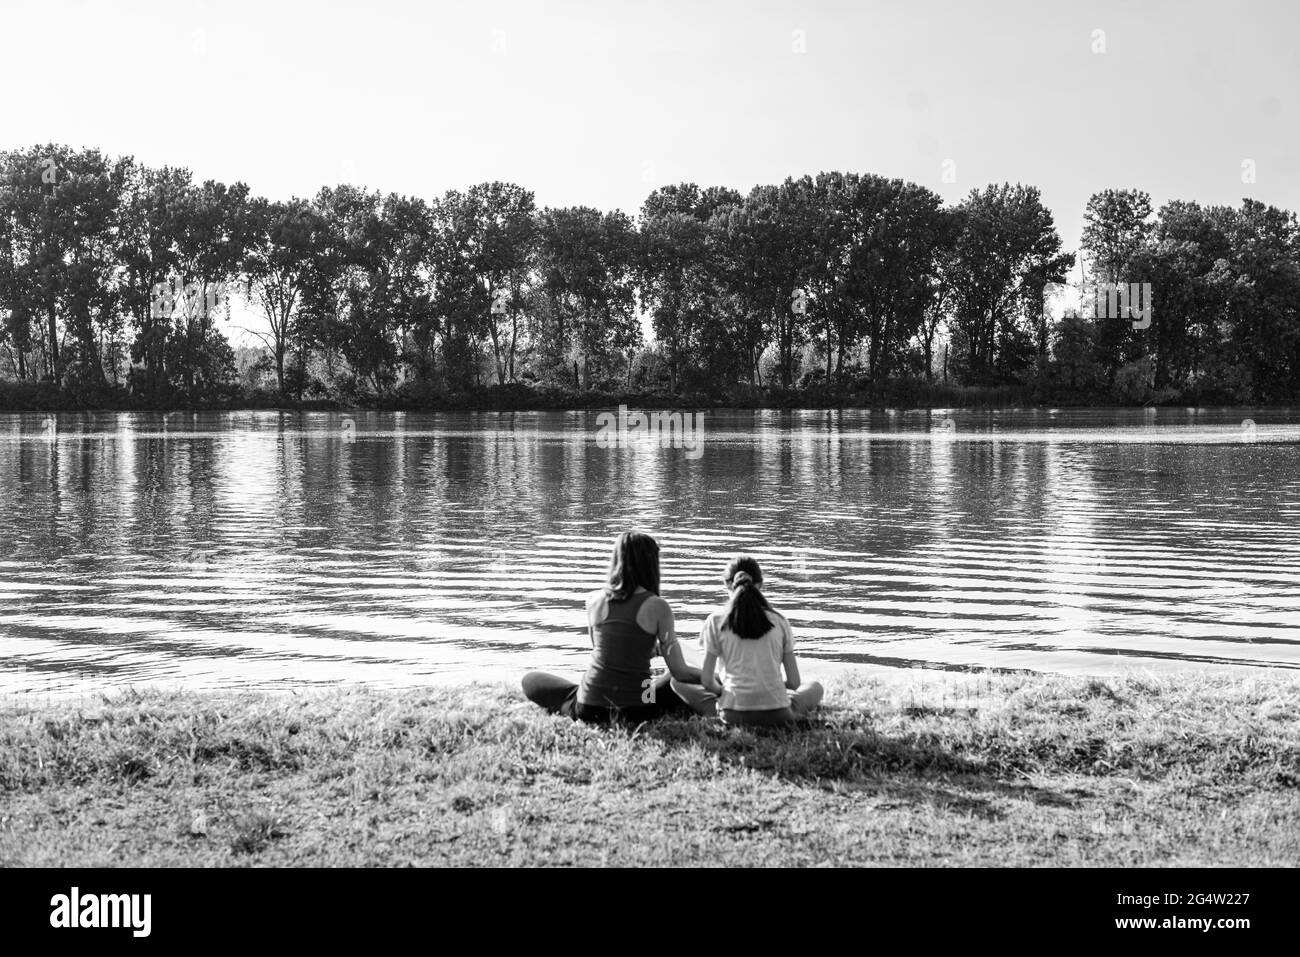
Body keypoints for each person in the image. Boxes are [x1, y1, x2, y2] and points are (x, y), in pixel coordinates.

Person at [522, 530, 702, 723]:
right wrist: (716, 677)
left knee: (530, 679)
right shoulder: (658, 606)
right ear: (651, 564)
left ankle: (582, 697)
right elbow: (680, 672)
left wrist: (644, 652)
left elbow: (606, 655)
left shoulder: (593, 601)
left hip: (588, 708)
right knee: (670, 679)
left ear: (617, 560)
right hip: (638, 710)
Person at [670, 556, 823, 726]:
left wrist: (723, 692)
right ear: (760, 584)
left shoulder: (715, 621)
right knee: (815, 686)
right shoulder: (780, 621)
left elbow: (707, 682)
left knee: (676, 682)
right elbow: (794, 682)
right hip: (779, 715)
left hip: (732, 715)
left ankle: (715, 709)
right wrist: (771, 688)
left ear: (727, 585)